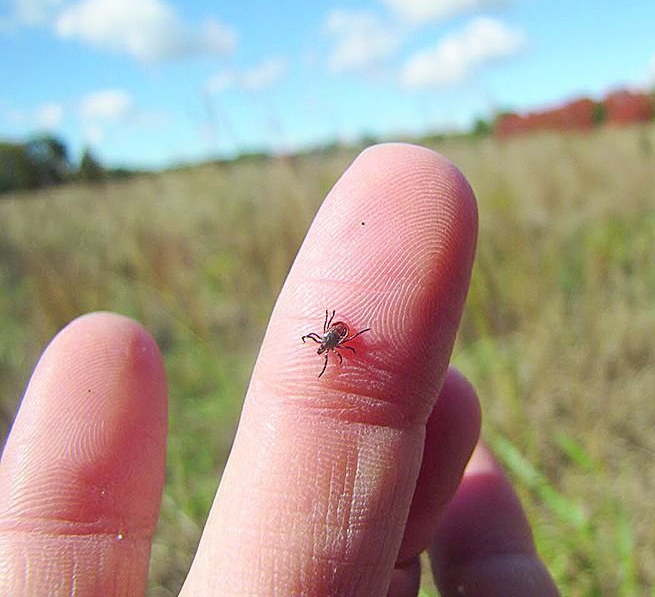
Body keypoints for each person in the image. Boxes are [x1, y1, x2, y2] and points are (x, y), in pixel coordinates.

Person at [0, 144, 559, 596]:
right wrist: (334, 338)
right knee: (350, 342)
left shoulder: (339, 339)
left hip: (352, 332)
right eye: (326, 344)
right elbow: (336, 334)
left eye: (327, 342)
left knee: (355, 339)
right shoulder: (332, 342)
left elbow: (342, 332)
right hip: (348, 335)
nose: (327, 346)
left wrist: (339, 335)